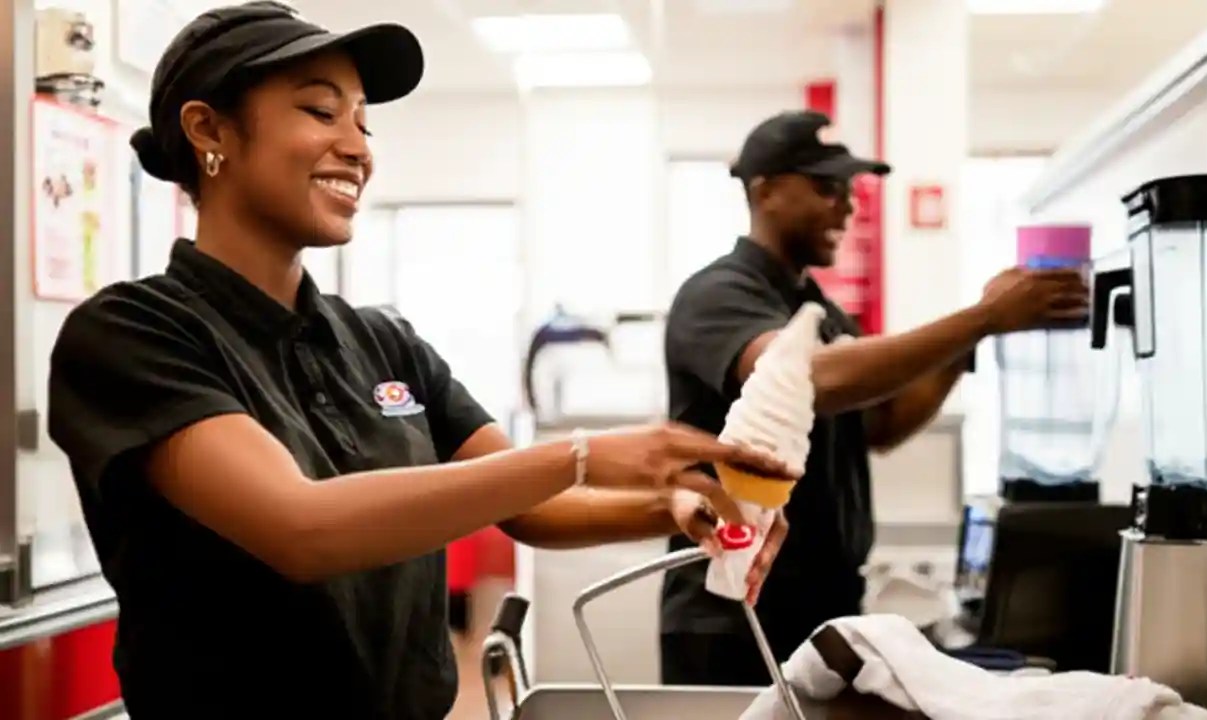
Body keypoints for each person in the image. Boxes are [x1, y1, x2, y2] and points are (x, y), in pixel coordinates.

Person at [45, 4, 793, 718]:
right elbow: (301, 530)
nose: (358, 146)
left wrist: (671, 508)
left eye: (363, 121)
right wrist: (585, 455)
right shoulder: (132, 336)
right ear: (210, 130)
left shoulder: (383, 341)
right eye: (320, 111)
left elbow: (525, 505)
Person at [659, 110, 1090, 686]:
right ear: (765, 191)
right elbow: (812, 380)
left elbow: (880, 424)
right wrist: (980, 317)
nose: (846, 204)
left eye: (848, 188)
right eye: (825, 186)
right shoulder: (718, 295)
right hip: (735, 615)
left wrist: (973, 341)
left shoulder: (817, 308)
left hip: (821, 608)